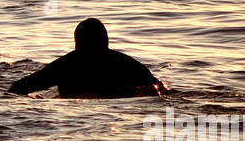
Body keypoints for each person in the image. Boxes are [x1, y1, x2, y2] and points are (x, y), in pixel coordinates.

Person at [9, 18, 165, 98]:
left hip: (73, 109)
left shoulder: (66, 65)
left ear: (77, 42)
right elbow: (161, 90)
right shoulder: (123, 63)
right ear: (106, 41)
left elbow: (17, 89)